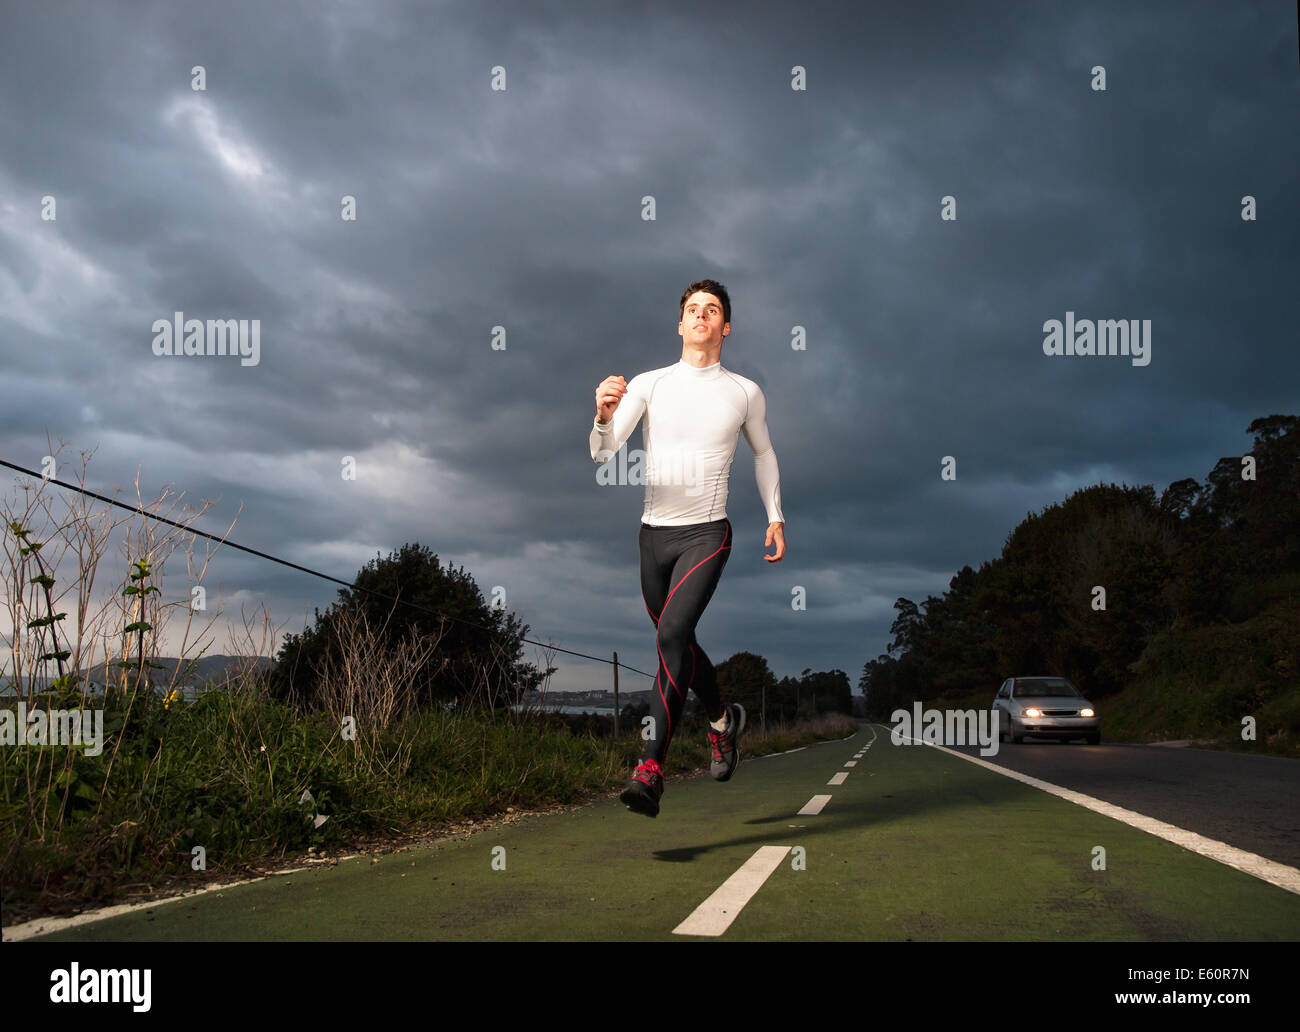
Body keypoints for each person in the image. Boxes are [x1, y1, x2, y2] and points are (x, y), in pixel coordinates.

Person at [589, 278, 786, 817]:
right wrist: (604, 416)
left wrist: (775, 516)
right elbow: (605, 454)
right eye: (692, 309)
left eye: (713, 309)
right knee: (676, 642)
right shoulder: (649, 385)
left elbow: (764, 455)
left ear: (726, 327)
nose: (702, 315)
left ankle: (651, 767)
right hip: (654, 535)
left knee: (672, 635)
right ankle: (722, 719)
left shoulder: (744, 392)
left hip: (707, 532)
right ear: (680, 324)